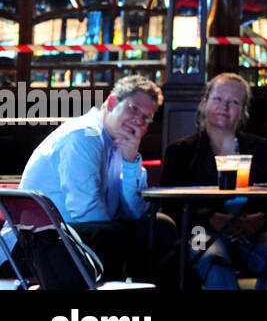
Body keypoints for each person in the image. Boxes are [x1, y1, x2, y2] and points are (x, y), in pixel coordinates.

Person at [18, 74, 177, 285]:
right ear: (112, 103)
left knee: (159, 226)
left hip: (77, 235)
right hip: (37, 242)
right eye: (134, 108)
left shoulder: (121, 141)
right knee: (111, 234)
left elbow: (135, 212)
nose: (139, 120)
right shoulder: (84, 135)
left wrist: (130, 161)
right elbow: (85, 211)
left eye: (147, 117)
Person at [161, 73, 267, 290]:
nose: (225, 107)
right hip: (199, 231)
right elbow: (169, 207)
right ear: (204, 104)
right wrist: (210, 218)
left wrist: (260, 219)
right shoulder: (181, 152)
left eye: (234, 102)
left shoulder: (263, 149)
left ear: (242, 112)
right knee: (212, 258)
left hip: (259, 230)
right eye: (218, 99)